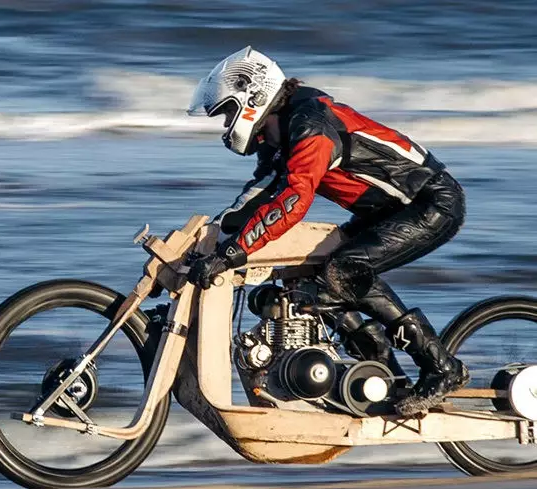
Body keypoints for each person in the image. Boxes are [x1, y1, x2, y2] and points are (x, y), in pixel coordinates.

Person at [185, 46, 468, 416]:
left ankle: (442, 368)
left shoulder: (310, 127)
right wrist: (211, 241)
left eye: (226, 114)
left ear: (251, 100)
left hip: (429, 203)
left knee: (344, 269)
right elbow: (255, 197)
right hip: (384, 212)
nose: (225, 126)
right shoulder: (281, 132)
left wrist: (232, 254)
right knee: (306, 287)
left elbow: (292, 201)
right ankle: (382, 371)